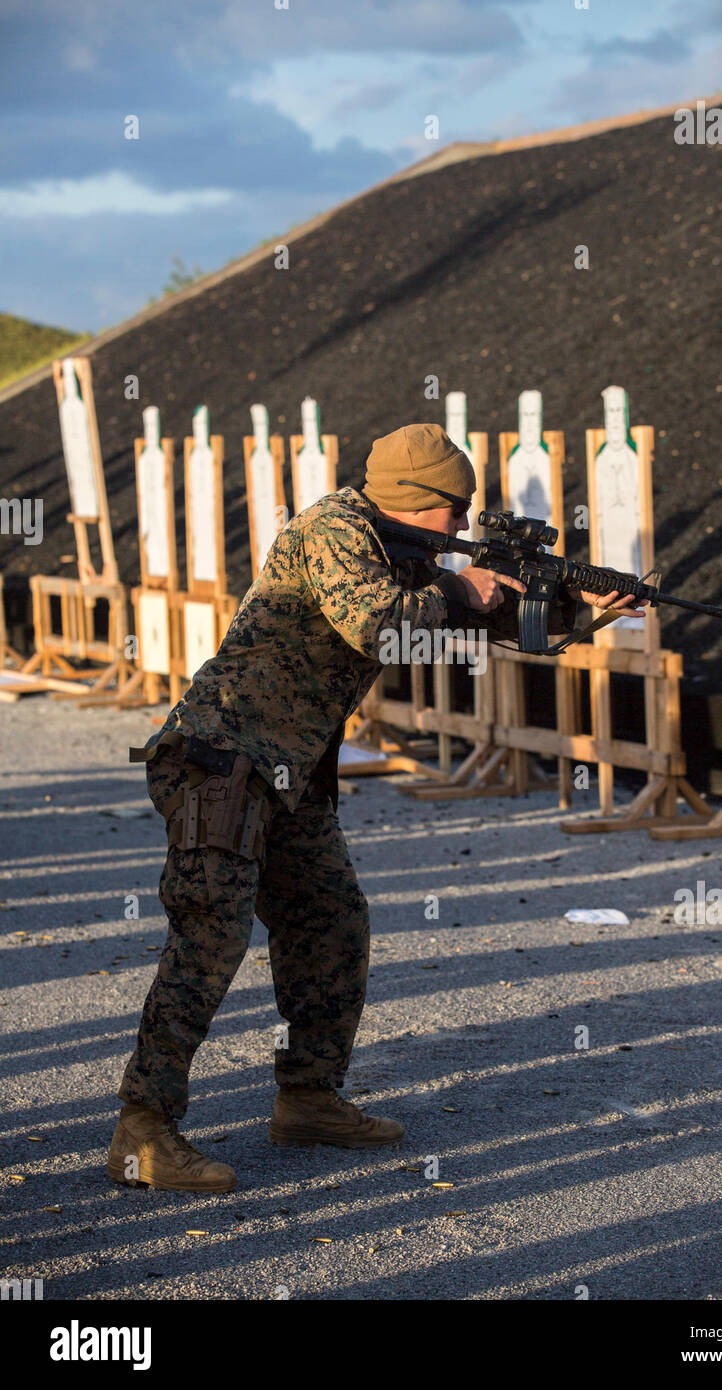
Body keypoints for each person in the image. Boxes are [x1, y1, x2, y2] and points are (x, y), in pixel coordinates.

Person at [109, 422, 641, 1192]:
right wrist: (462, 587)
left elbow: (482, 624)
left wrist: (574, 606)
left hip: (289, 772)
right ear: (414, 500)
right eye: (452, 511)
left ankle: (308, 1098)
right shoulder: (334, 529)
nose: (462, 527)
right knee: (211, 934)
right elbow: (380, 622)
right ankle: (143, 1130)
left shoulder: (404, 551)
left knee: (332, 924)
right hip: (219, 760)